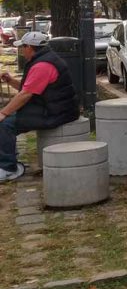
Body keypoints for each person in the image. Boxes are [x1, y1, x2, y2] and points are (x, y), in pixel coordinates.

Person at [0, 32, 79, 182]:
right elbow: (28, 88)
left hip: (55, 113)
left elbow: (25, 95)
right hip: (54, 108)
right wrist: (10, 81)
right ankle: (8, 158)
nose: (21, 51)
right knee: (7, 120)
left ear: (30, 47)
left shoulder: (42, 65)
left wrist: (3, 112)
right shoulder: (44, 59)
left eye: (22, 47)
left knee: (5, 124)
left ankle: (8, 168)